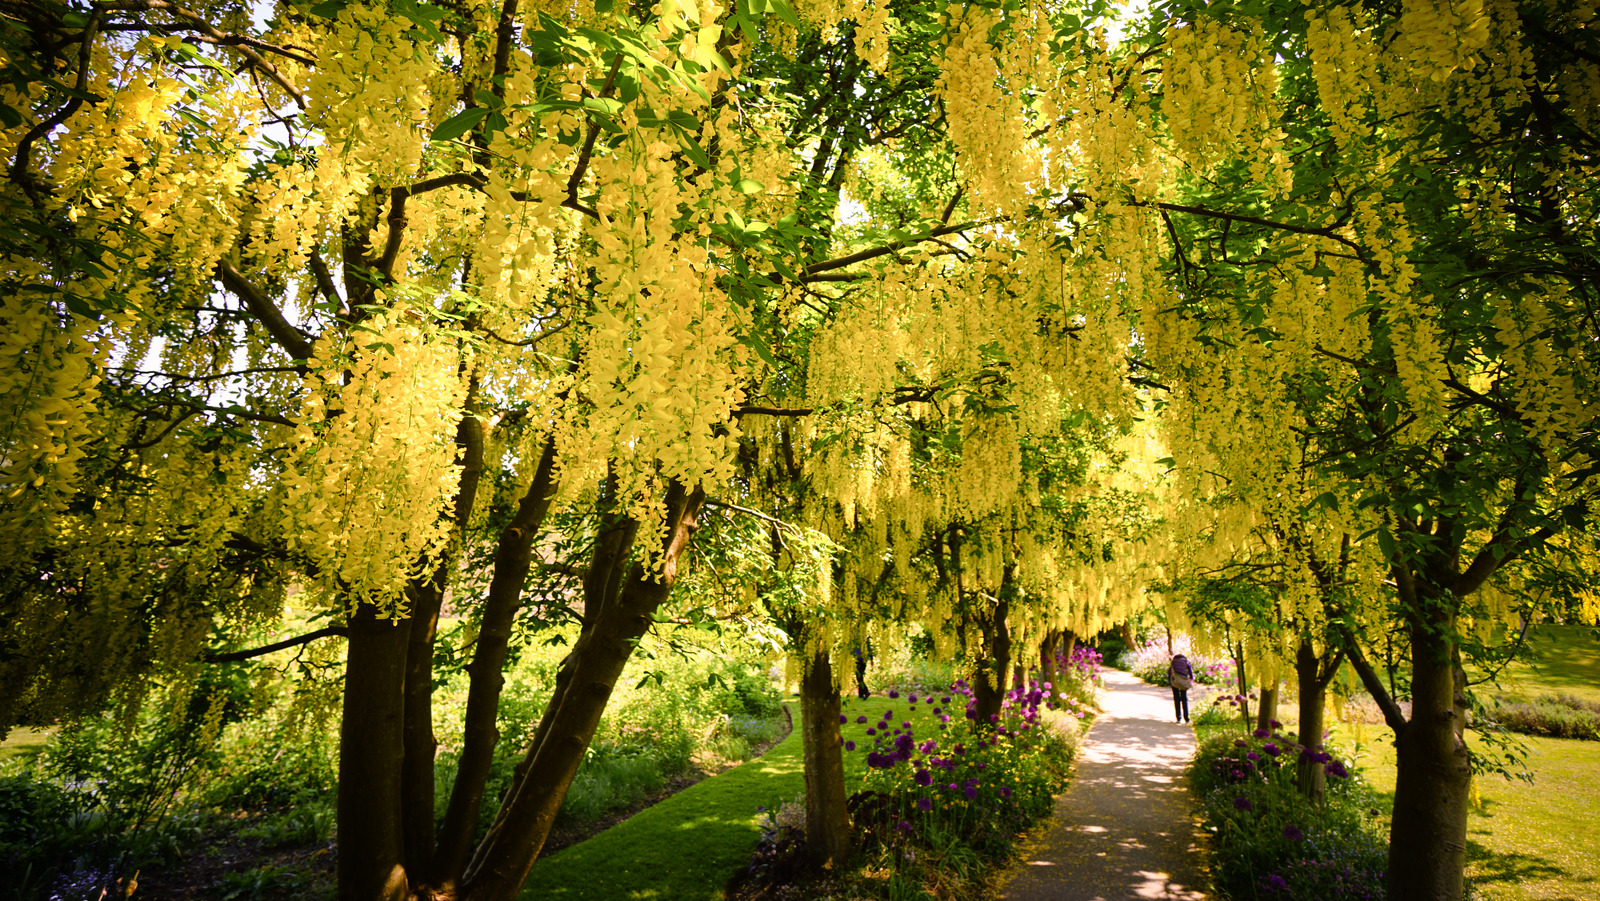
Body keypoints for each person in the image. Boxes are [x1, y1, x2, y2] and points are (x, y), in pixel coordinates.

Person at [1168, 654, 1194, 723]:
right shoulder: (1186, 661)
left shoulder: (1173, 662)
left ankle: (1178, 718)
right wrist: (1191, 680)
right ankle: (1187, 719)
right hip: (1183, 682)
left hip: (1175, 681)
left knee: (1176, 699)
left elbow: (1169, 672)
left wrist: (1170, 683)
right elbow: (1190, 671)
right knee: (1184, 698)